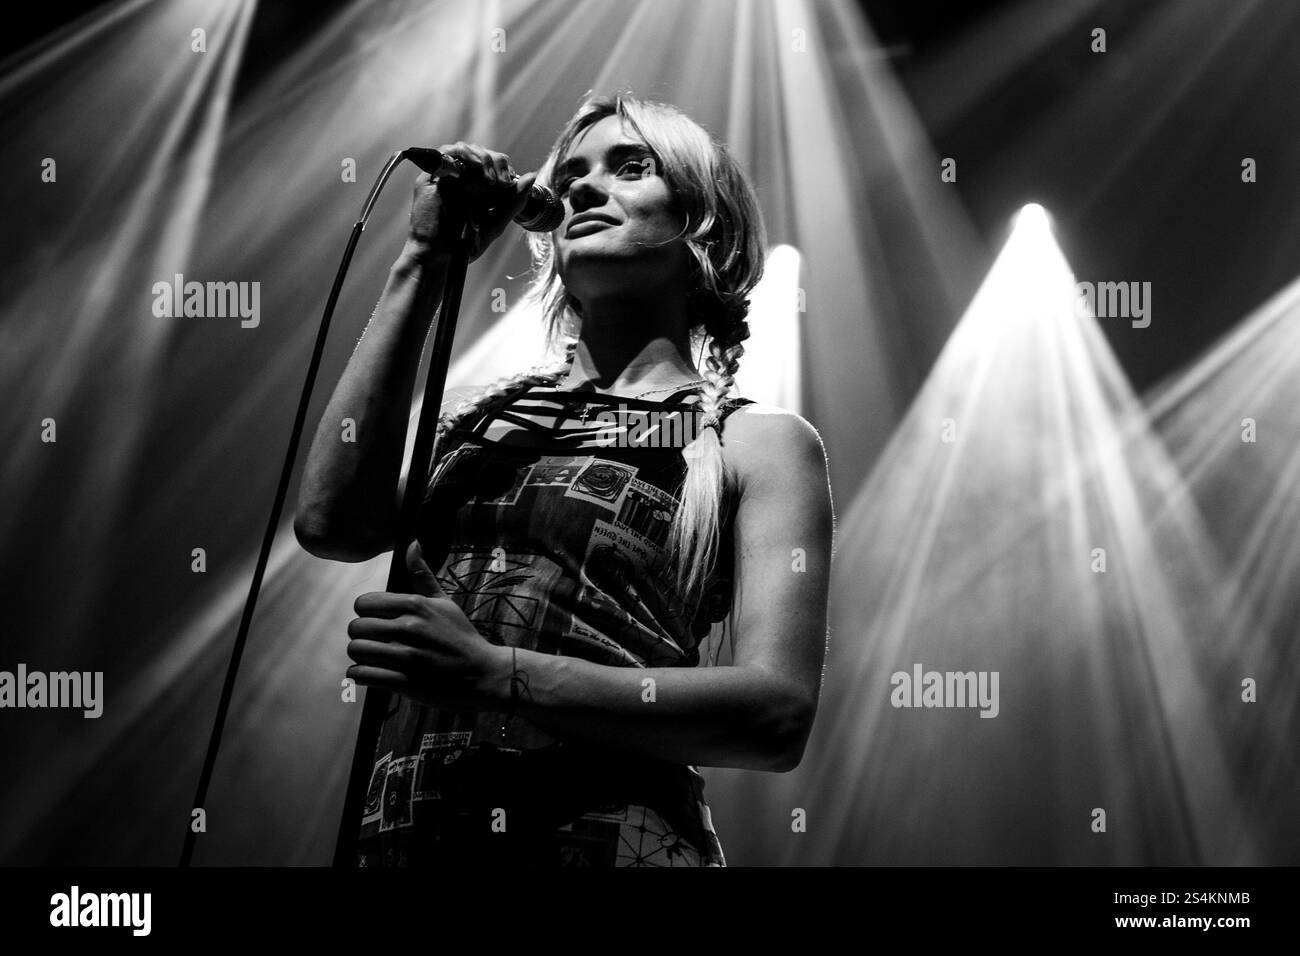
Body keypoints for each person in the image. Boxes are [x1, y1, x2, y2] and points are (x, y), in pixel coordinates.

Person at [295, 92, 834, 867]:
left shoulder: (756, 441)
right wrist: (424, 260)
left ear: (703, 224)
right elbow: (332, 525)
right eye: (571, 172)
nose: (583, 186)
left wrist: (495, 674)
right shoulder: (470, 420)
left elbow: (775, 715)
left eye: (630, 167)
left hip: (612, 842)